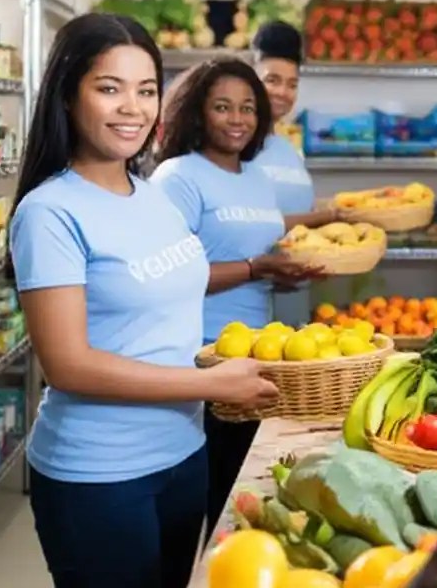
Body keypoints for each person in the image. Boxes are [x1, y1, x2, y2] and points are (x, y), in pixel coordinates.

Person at [9, 13, 278, 588]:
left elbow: (167, 321)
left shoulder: (154, 197)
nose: (132, 107)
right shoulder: (50, 212)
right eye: (109, 88)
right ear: (67, 95)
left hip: (182, 456)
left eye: (146, 90)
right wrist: (212, 384)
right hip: (99, 474)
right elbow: (68, 364)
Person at [150, 57, 322, 531]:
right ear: (197, 112)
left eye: (247, 108)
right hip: (198, 359)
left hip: (255, 354)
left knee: (239, 497)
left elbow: (255, 254)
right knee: (201, 501)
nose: (238, 119)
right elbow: (163, 276)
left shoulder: (256, 178)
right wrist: (254, 268)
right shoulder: (177, 177)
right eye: (223, 107)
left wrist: (281, 273)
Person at [248, 20, 336, 328]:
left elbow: (299, 216)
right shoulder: (236, 147)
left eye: (292, 84)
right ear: (251, 75)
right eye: (272, 80)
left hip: (293, 301)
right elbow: (241, 224)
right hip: (246, 308)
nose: (282, 92)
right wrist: (333, 216)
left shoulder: (289, 149)